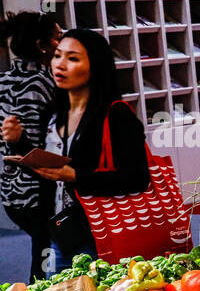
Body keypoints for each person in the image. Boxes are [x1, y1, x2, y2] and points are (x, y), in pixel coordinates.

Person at [35, 30, 151, 269]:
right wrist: (18, 145)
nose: (60, 64)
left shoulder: (115, 115)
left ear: (95, 66)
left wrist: (76, 176)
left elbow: (138, 179)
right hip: (60, 229)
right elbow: (48, 175)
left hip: (102, 231)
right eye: (57, 56)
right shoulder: (52, 114)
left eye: (73, 58)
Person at [0, 11, 61, 281]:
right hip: (39, 190)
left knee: (43, 251)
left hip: (11, 190)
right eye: (58, 37)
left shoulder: (3, 80)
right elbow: (38, 150)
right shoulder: (43, 84)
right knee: (47, 257)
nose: (63, 42)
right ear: (42, 45)